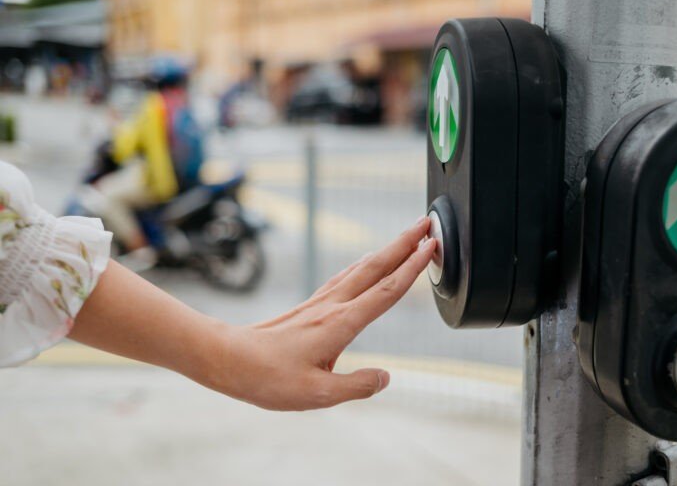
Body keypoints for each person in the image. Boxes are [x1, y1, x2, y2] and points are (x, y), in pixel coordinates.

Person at [0, 160, 436, 409]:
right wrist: (226, 353)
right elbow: (18, 249)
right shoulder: (173, 108)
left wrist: (228, 353)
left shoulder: (157, 108)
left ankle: (139, 242)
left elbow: (18, 249)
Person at [88, 57, 205, 258]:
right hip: (183, 180)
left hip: (159, 182)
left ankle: (140, 248)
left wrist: (115, 134)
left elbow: (125, 147)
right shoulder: (182, 103)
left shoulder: (153, 106)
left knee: (108, 198)